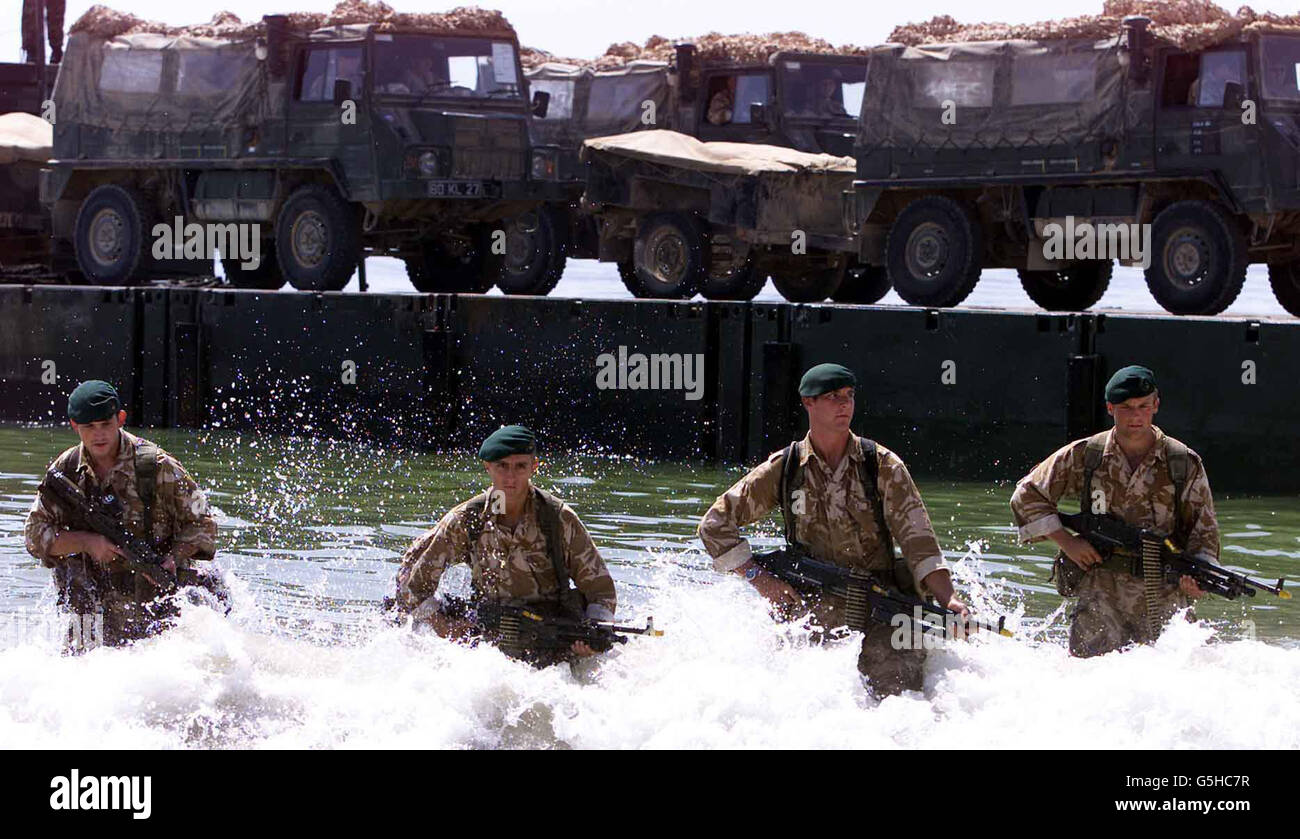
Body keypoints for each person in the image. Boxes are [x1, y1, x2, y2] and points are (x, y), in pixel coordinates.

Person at [697, 363, 967, 697]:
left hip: (882, 605)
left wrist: (949, 599)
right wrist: (762, 581)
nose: (844, 404)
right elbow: (715, 525)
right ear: (808, 402)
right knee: (799, 701)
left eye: (849, 396)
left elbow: (919, 542)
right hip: (812, 607)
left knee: (899, 699)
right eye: (832, 397)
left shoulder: (881, 465)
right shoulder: (786, 469)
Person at [1010, 365, 1219, 657]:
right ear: (1110, 408)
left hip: (1163, 595)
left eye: (1144, 406)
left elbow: (1204, 532)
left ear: (1156, 404)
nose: (1135, 416)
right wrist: (1067, 542)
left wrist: (1199, 579)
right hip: (1100, 593)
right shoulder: (1087, 455)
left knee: (1169, 686)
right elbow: (1026, 494)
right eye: (1126, 407)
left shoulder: (1181, 462)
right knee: (1089, 683)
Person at [393, 425, 618, 667]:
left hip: (553, 642)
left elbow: (600, 591)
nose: (510, 477)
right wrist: (445, 627)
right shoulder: (467, 520)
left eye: (520, 466)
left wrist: (592, 636)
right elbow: (414, 584)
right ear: (487, 467)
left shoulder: (557, 518)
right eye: (502, 466)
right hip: (489, 646)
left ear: (534, 467)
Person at [24, 380, 218, 649]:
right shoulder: (66, 472)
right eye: (89, 427)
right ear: (74, 426)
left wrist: (173, 558)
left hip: (156, 602)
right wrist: (88, 543)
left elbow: (204, 524)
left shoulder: (157, 467)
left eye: (105, 424)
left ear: (121, 418)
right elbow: (34, 537)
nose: (98, 434)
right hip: (92, 607)